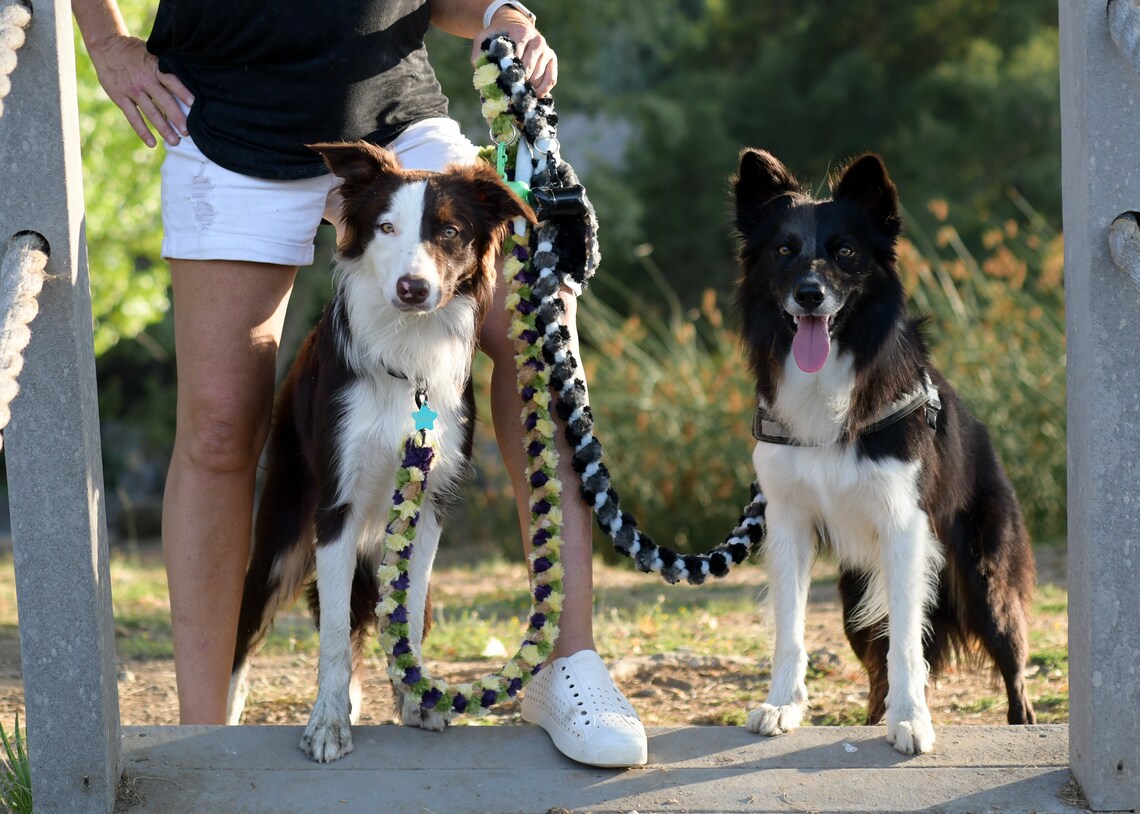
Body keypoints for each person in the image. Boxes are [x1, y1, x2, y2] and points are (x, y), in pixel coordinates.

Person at [71, 0, 647, 768]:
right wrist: (105, 39)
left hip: (397, 120)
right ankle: (202, 732)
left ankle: (567, 662)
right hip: (225, 117)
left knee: (538, 333)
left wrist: (497, 14)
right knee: (218, 424)